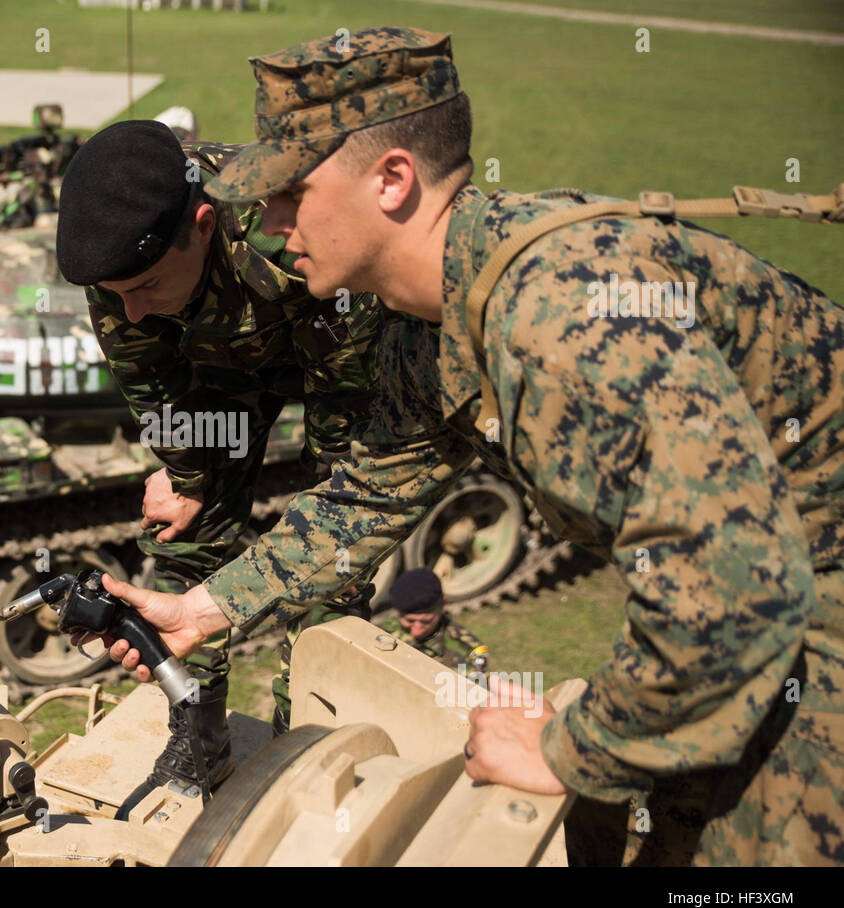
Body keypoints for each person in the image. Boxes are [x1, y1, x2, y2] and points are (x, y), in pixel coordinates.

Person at [90, 26, 844, 865]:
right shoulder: (430, 322)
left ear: (393, 180)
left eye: (290, 193)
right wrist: (201, 610)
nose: (264, 220)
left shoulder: (563, 321)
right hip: (773, 581)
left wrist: (569, 748)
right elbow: (370, 493)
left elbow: (732, 594)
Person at [54, 119, 388, 816]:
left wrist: (330, 513)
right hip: (223, 372)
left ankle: (309, 738)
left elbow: (346, 403)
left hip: (331, 361)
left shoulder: (295, 228)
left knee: (331, 559)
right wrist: (185, 473)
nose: (130, 306)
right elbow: (148, 376)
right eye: (116, 294)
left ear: (203, 226)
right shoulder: (118, 255)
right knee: (185, 531)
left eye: (143, 286)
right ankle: (198, 731)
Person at [382, 567, 484, 669]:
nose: (417, 632)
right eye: (410, 621)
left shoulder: (469, 649)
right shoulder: (381, 631)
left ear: (443, 604)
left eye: (426, 621)